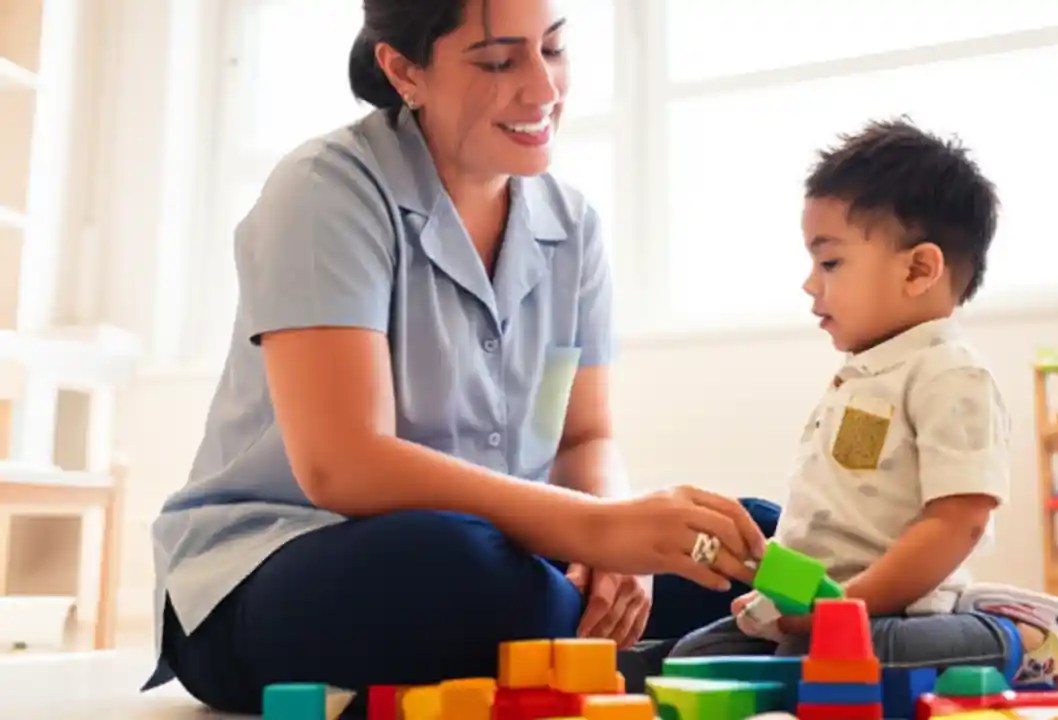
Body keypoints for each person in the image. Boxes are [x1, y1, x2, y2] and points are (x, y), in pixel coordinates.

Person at [140, 0, 770, 713]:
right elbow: (343, 464)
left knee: (753, 540)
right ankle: (636, 659)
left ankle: (595, 650)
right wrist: (597, 528)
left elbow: (583, 436)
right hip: (283, 565)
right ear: (404, 69)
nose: (543, 89)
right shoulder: (326, 189)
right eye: (500, 61)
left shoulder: (573, 226)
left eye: (553, 50)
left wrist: (611, 541)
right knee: (469, 571)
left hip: (511, 553)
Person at [667, 119, 1058, 689]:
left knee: (849, 656)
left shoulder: (950, 372)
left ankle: (1012, 639)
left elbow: (958, 521)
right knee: (690, 663)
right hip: (817, 607)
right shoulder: (861, 375)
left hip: (899, 613)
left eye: (830, 263)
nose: (809, 284)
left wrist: (846, 610)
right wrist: (770, 576)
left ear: (919, 268)